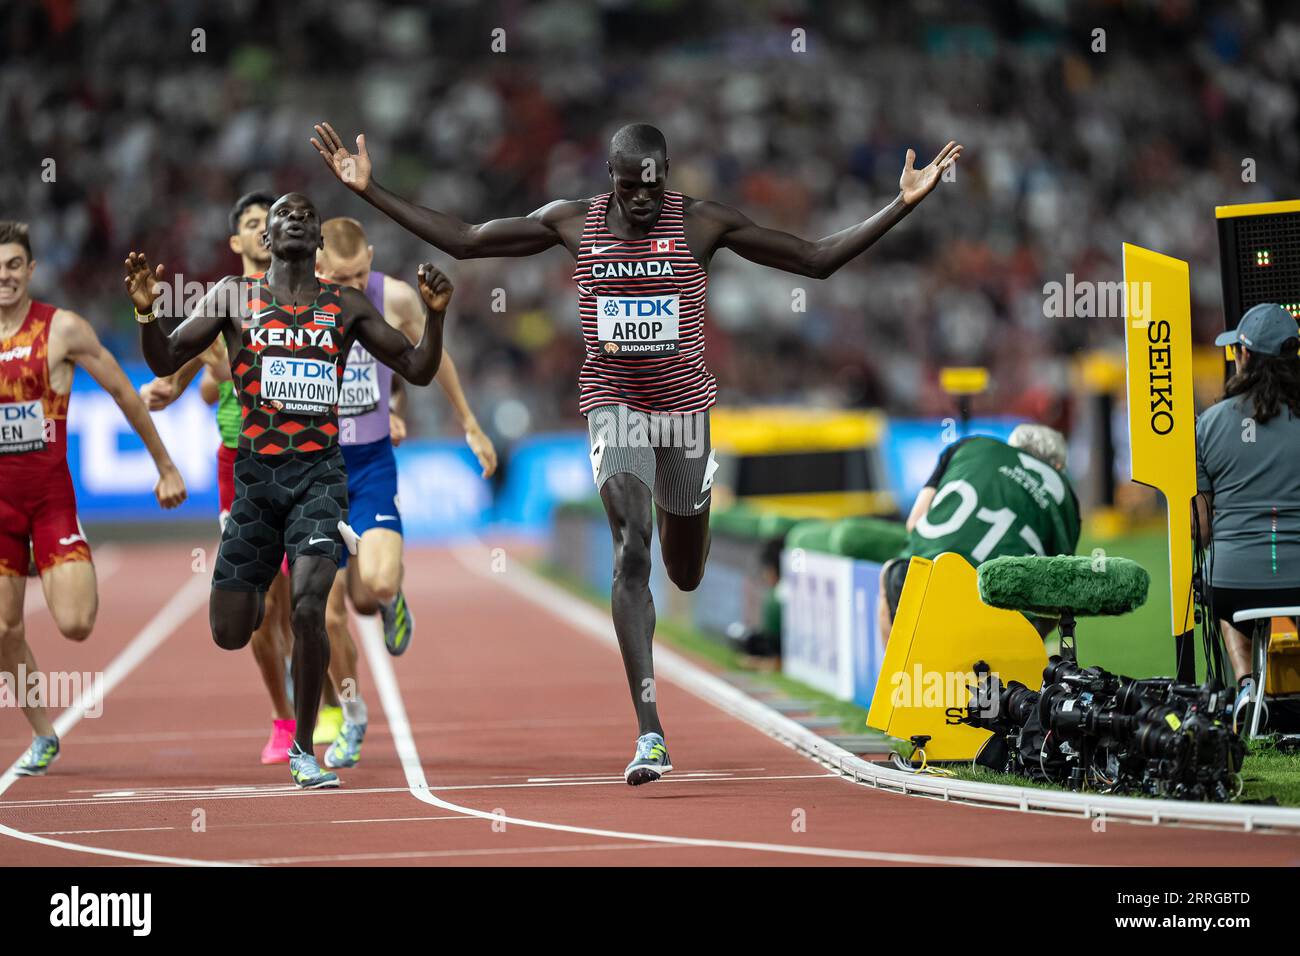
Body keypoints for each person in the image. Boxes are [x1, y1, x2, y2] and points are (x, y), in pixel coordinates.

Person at [311, 120, 961, 784]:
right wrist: (371, 190)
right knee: (631, 549)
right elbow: (469, 240)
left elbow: (816, 258)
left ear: (668, 175)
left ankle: (693, 514)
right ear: (612, 181)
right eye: (630, 189)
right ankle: (650, 732)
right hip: (613, 404)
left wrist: (901, 204)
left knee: (683, 571)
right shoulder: (572, 222)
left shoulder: (702, 223)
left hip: (685, 416)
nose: (644, 201)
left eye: (654, 188)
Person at [124, 192, 447, 788]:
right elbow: (165, 356)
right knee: (232, 629)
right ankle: (270, 663)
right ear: (266, 241)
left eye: (307, 215)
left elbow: (417, 368)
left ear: (318, 240)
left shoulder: (344, 306)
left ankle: (304, 748)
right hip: (255, 482)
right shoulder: (232, 298)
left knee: (309, 607)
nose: (296, 218)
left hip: (321, 477)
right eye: (283, 217)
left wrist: (436, 316)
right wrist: (148, 313)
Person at [0, 220, 187, 776]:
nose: (4, 275)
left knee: (77, 623)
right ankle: (43, 734)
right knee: (3, 630)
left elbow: (124, 393)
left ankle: (46, 559)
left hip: (49, 501)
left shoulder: (63, 330)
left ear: (31, 270)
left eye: (13, 265)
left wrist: (165, 465)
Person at [314, 216, 497, 768]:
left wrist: (468, 422)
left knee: (375, 585)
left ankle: (394, 600)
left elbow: (428, 358)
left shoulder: (391, 297)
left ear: (371, 257)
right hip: (316, 474)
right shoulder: (298, 305)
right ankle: (351, 717)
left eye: (361, 273)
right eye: (341, 279)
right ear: (319, 268)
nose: (352, 288)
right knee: (327, 617)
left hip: (370, 466)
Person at [137, 191, 300, 765]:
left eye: (269, 222)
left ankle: (326, 699)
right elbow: (177, 371)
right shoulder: (224, 300)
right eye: (252, 224)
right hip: (241, 464)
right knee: (258, 613)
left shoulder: (305, 293)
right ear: (236, 241)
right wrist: (166, 388)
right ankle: (284, 717)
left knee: (299, 606)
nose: (262, 231)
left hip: (305, 459)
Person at [1195, 302, 1300, 731]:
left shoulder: (1211, 423)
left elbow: (1199, 530)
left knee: (1223, 590)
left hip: (1233, 584)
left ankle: (1245, 686)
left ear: (1244, 357)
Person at [877, 424, 1081, 644]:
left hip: (930, 590)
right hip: (1005, 624)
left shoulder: (970, 446)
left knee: (892, 571)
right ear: (1058, 466)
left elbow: (914, 523)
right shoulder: (1066, 500)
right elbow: (1060, 591)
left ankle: (896, 674)